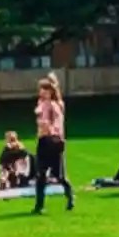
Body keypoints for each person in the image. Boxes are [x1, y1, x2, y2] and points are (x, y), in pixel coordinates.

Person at [33, 78, 74, 214]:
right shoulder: (42, 104)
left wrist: (50, 129)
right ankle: (39, 205)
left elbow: (53, 123)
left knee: (59, 175)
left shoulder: (55, 105)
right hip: (43, 140)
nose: (41, 92)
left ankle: (70, 198)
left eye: (44, 89)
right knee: (40, 174)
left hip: (54, 141)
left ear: (50, 91)